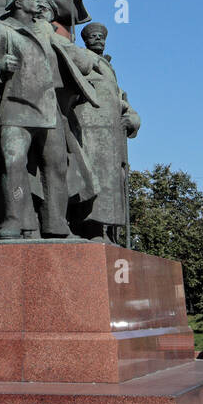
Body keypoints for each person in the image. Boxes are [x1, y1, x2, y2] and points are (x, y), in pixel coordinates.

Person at [0, 0, 97, 237]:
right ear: (19, 3)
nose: (39, 6)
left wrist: (59, 41)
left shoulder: (51, 35)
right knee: (13, 164)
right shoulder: (2, 29)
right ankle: (13, 221)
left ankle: (55, 222)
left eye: (44, 6)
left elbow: (85, 64)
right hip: (16, 108)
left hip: (50, 110)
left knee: (57, 167)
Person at [72, 22, 140, 243]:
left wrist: (133, 119)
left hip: (112, 135)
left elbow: (122, 101)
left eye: (101, 36)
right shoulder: (81, 58)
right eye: (93, 36)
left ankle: (109, 231)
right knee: (96, 178)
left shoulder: (109, 69)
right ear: (85, 40)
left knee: (115, 179)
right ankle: (92, 229)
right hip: (90, 130)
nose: (98, 39)